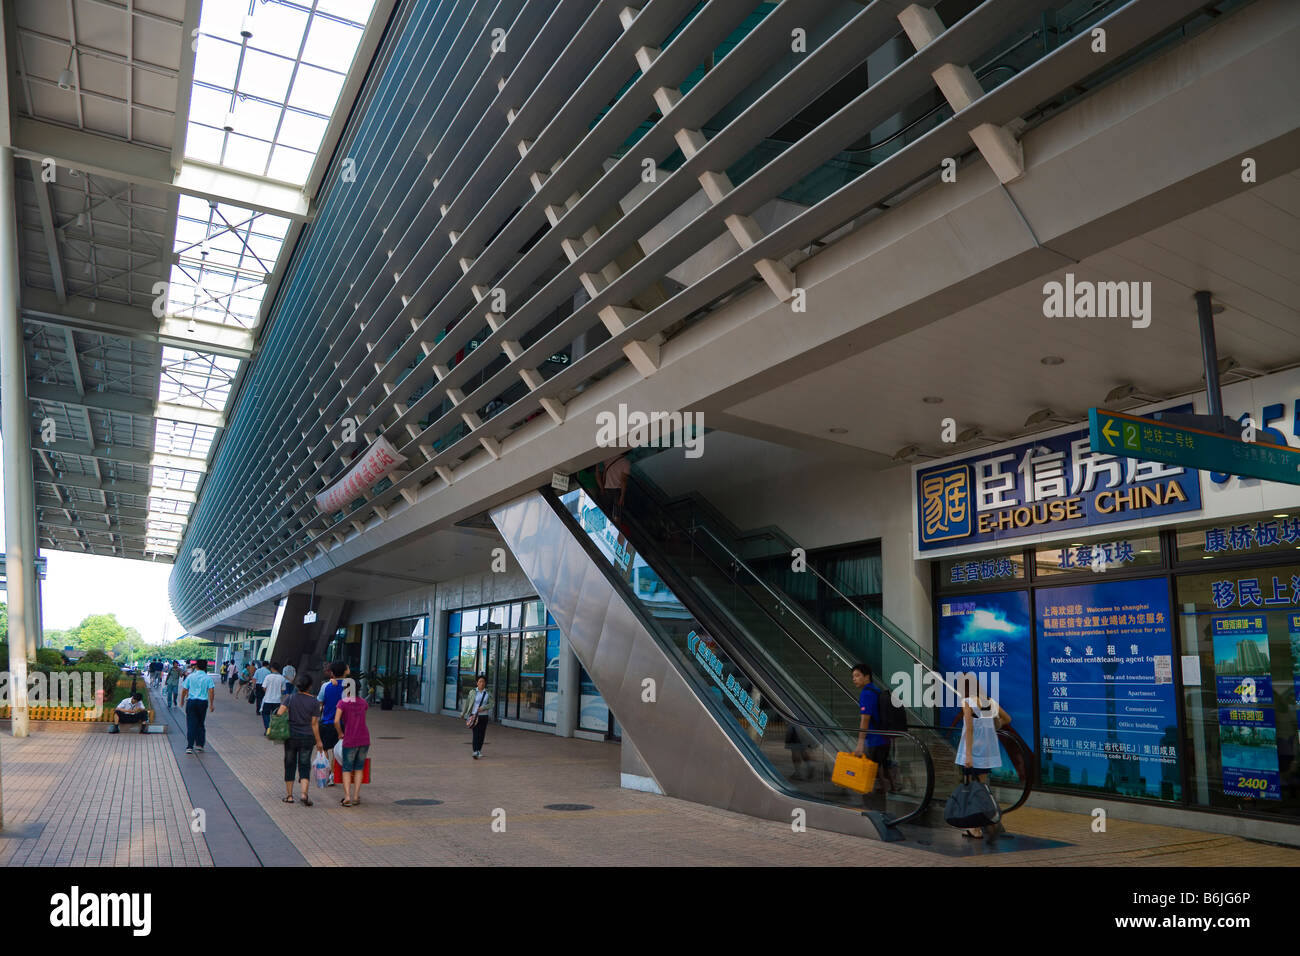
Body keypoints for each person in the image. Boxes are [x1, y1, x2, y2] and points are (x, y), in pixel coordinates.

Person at [954, 672, 1009, 839]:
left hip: (972, 752)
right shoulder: (989, 701)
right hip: (987, 753)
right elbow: (1007, 719)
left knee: (971, 790)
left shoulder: (967, 702)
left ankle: (975, 827)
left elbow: (969, 729)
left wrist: (968, 755)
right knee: (982, 789)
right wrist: (993, 725)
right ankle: (987, 822)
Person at [276, 675, 324, 806]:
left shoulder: (290, 698)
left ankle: (289, 796)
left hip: (291, 737)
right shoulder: (314, 702)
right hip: (307, 737)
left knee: (290, 764)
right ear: (309, 686)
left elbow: (279, 713)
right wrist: (319, 741)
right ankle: (304, 794)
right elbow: (314, 724)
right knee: (304, 765)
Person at [850, 663, 890, 809]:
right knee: (878, 774)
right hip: (884, 740)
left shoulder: (866, 693)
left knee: (867, 778)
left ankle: (872, 811)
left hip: (873, 741)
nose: (854, 679)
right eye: (853, 676)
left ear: (867, 677)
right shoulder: (877, 690)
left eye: (858, 675)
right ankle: (881, 808)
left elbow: (865, 719)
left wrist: (860, 743)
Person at [334, 677, 370, 807]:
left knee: (347, 768)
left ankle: (347, 796)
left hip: (349, 739)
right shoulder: (363, 703)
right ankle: (355, 796)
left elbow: (336, 721)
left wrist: (340, 733)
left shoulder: (342, 703)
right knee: (359, 767)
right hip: (364, 739)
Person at [179, 660, 216, 755]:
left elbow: (184, 690)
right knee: (200, 723)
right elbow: (211, 691)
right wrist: (211, 704)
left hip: (191, 702)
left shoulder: (190, 677)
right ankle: (200, 744)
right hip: (202, 702)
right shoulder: (208, 678)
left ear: (196, 667)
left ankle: (190, 746)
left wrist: (182, 701)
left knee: (191, 724)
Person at [317, 662, 347, 773]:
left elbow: (320, 701)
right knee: (337, 749)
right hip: (343, 723)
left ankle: (326, 771)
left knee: (324, 748)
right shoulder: (349, 686)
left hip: (327, 722)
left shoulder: (326, 686)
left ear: (332, 672)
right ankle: (332, 775)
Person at [462, 674, 492, 759]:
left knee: (482, 734)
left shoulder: (488, 693)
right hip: (474, 716)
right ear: (477, 683)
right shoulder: (472, 692)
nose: (482, 683)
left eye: (483, 682)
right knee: (476, 734)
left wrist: (484, 708)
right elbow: (467, 703)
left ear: (485, 683)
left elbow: (492, 704)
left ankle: (479, 750)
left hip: (484, 716)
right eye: (480, 681)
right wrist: (463, 713)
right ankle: (475, 751)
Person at [596, 452, 631, 521]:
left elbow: (598, 475)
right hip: (617, 491)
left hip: (606, 489)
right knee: (616, 515)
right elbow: (623, 480)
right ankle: (616, 528)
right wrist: (622, 496)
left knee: (605, 512)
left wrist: (602, 488)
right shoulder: (626, 462)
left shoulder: (608, 458)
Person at [260, 662, 286, 731]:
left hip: (268, 700)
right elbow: (283, 690)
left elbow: (264, 687)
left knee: (265, 714)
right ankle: (273, 729)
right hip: (277, 700)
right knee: (275, 716)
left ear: (272, 668)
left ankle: (268, 728)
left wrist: (268, 692)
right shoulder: (282, 678)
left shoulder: (268, 677)